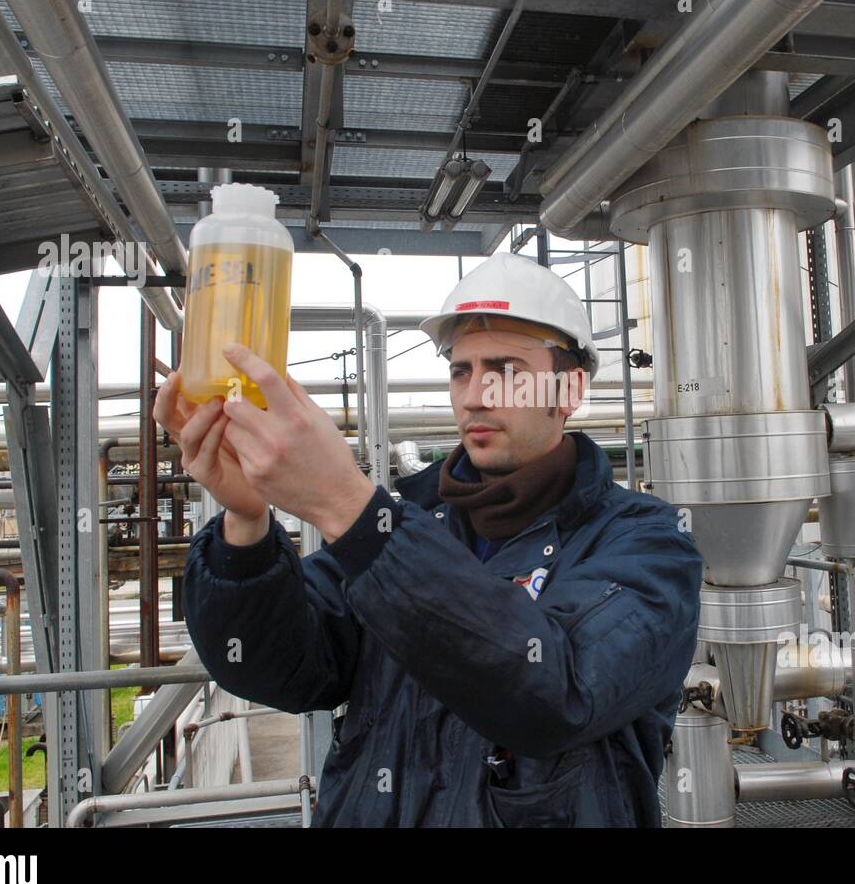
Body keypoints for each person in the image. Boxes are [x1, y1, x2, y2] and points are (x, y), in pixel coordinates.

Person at [154, 251, 702, 826]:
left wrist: (347, 505)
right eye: (460, 370)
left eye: (506, 371)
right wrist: (246, 523)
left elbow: (558, 695)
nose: (473, 395)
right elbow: (284, 666)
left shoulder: (647, 545)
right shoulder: (406, 516)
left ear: (569, 390)